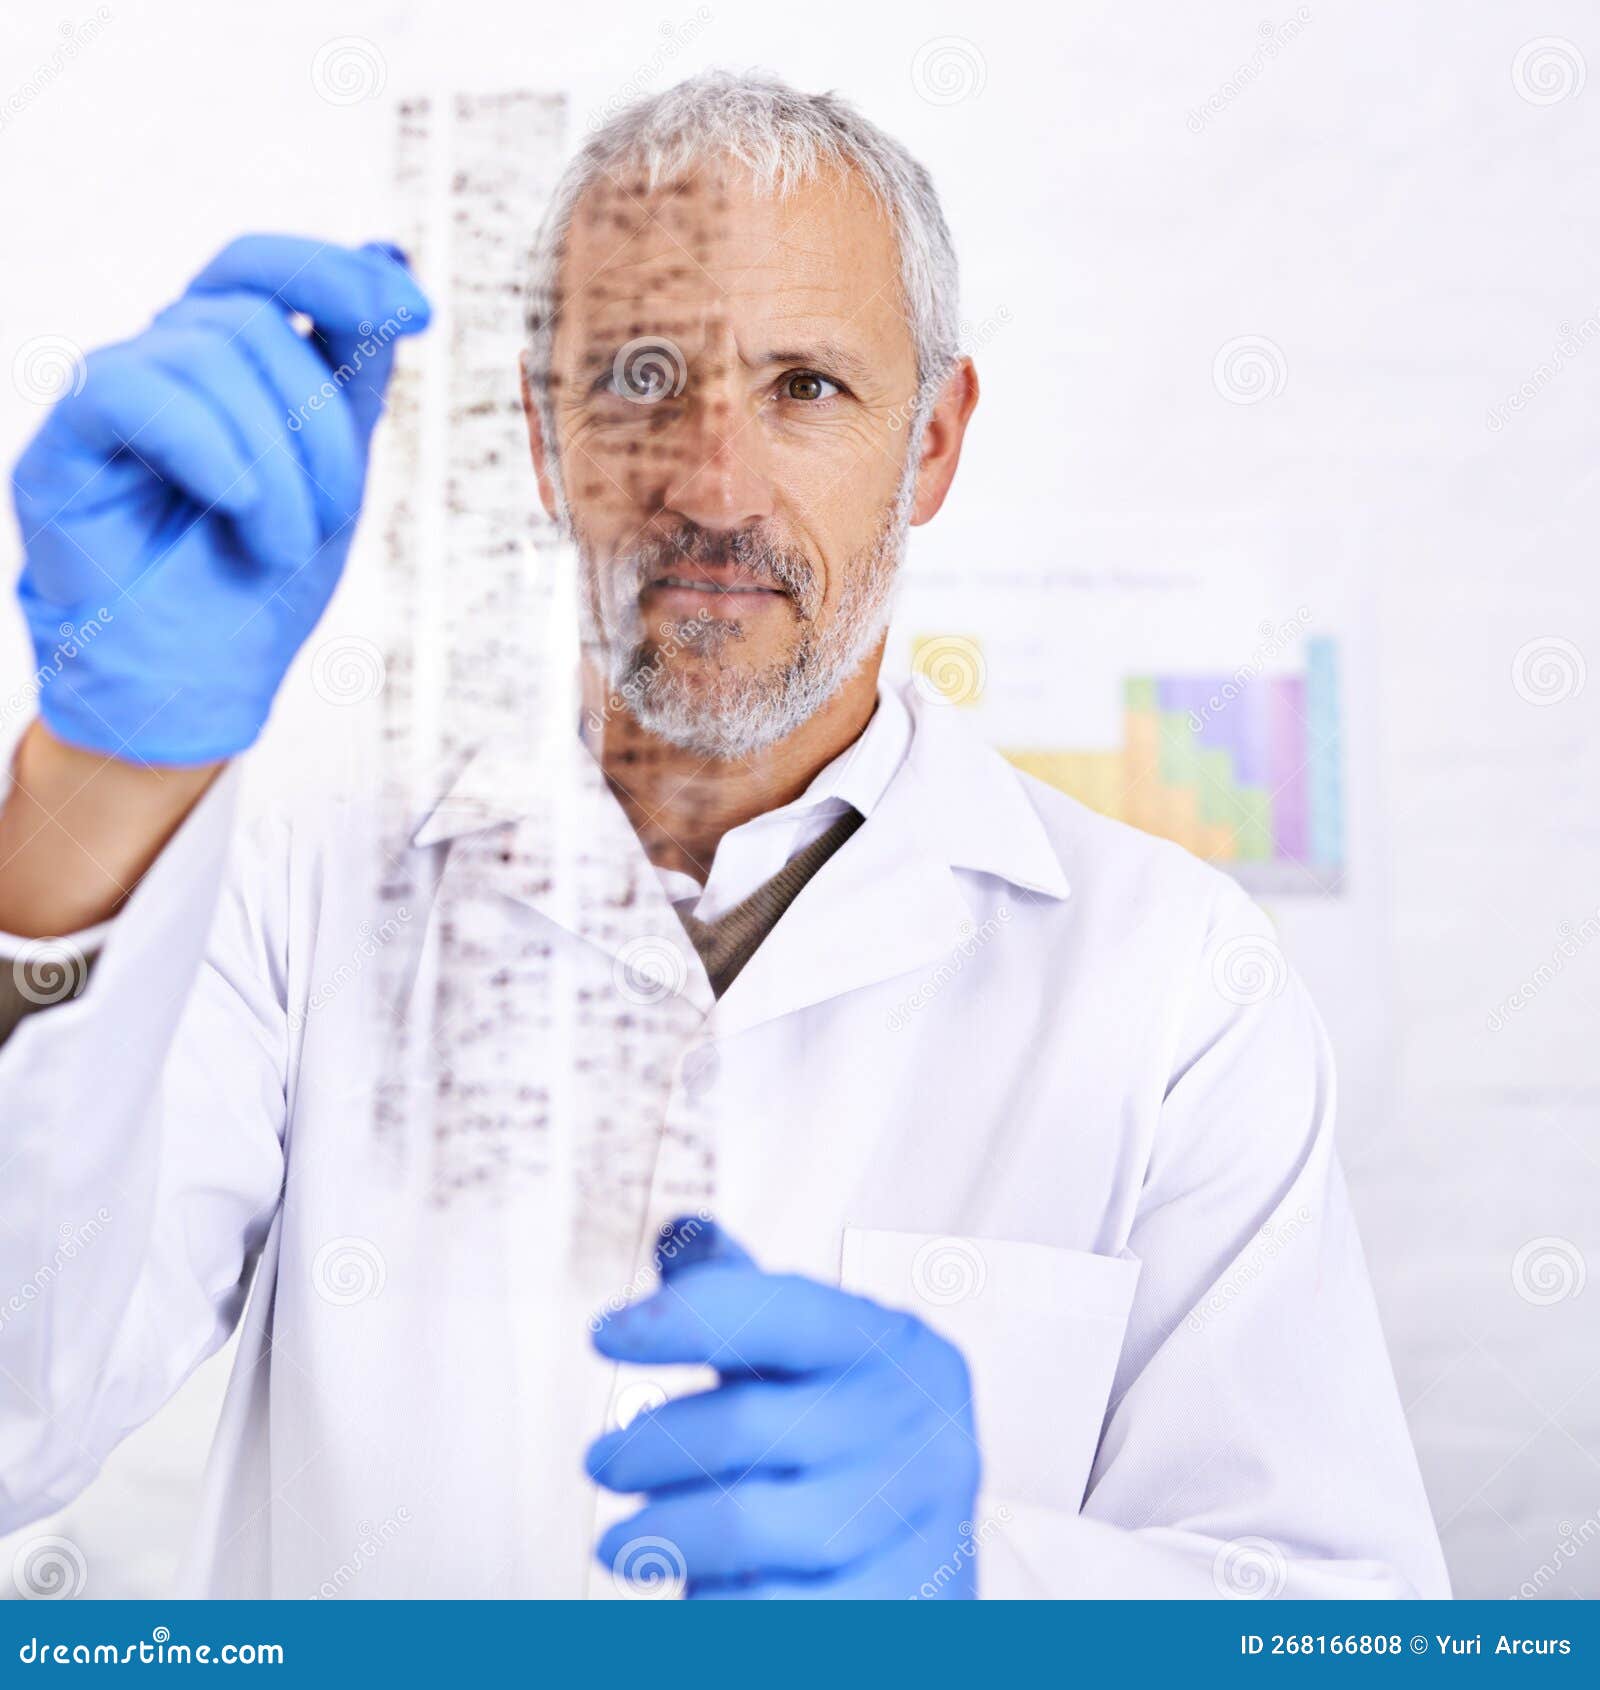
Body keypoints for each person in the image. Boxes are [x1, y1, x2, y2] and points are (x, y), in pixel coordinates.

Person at [0, 70, 1448, 1600]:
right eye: (638, 376)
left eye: (805, 386)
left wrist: (988, 1585)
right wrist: (93, 784)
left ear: (934, 444)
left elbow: (1337, 1619)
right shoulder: (292, 879)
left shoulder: (1176, 985)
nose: (713, 484)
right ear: (544, 444)